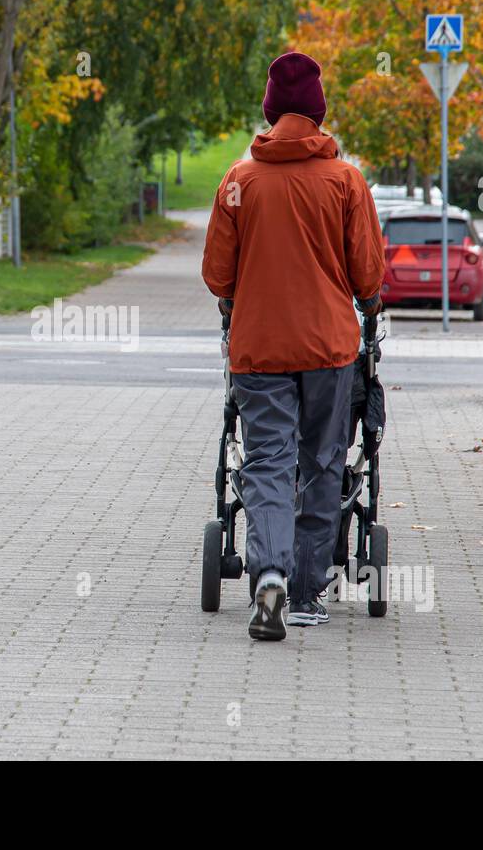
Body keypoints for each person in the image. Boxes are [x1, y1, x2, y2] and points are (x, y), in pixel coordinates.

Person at [202, 51, 385, 642]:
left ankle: (270, 574)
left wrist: (240, 299)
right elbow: (367, 275)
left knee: (267, 464)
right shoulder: (345, 181)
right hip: (330, 349)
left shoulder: (239, 181)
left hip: (258, 350)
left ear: (270, 111)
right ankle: (307, 594)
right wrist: (370, 306)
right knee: (323, 461)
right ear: (318, 112)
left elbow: (218, 275)